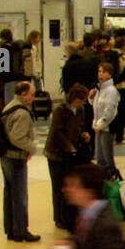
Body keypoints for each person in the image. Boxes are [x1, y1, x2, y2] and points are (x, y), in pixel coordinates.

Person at [45, 85, 91, 232]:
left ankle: (68, 216)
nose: (80, 104)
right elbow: (57, 132)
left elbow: (79, 127)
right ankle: (58, 218)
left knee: (69, 186)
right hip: (56, 153)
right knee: (58, 187)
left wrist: (83, 135)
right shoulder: (60, 110)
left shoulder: (81, 110)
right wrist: (68, 146)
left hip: (70, 154)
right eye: (79, 100)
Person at [0, 81, 39, 243]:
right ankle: (21, 230)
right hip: (16, 158)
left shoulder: (9, 106)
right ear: (23, 94)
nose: (33, 98)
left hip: (5, 156)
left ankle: (11, 229)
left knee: (9, 194)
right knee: (20, 195)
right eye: (31, 94)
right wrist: (32, 148)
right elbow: (17, 138)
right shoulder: (22, 113)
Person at [90, 62, 120, 174]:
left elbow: (110, 111)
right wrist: (91, 98)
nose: (100, 74)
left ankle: (112, 177)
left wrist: (100, 124)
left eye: (103, 72)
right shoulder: (99, 89)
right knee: (99, 156)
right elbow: (97, 106)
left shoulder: (111, 91)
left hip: (106, 128)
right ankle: (101, 179)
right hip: (98, 127)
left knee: (107, 157)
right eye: (99, 71)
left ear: (109, 74)